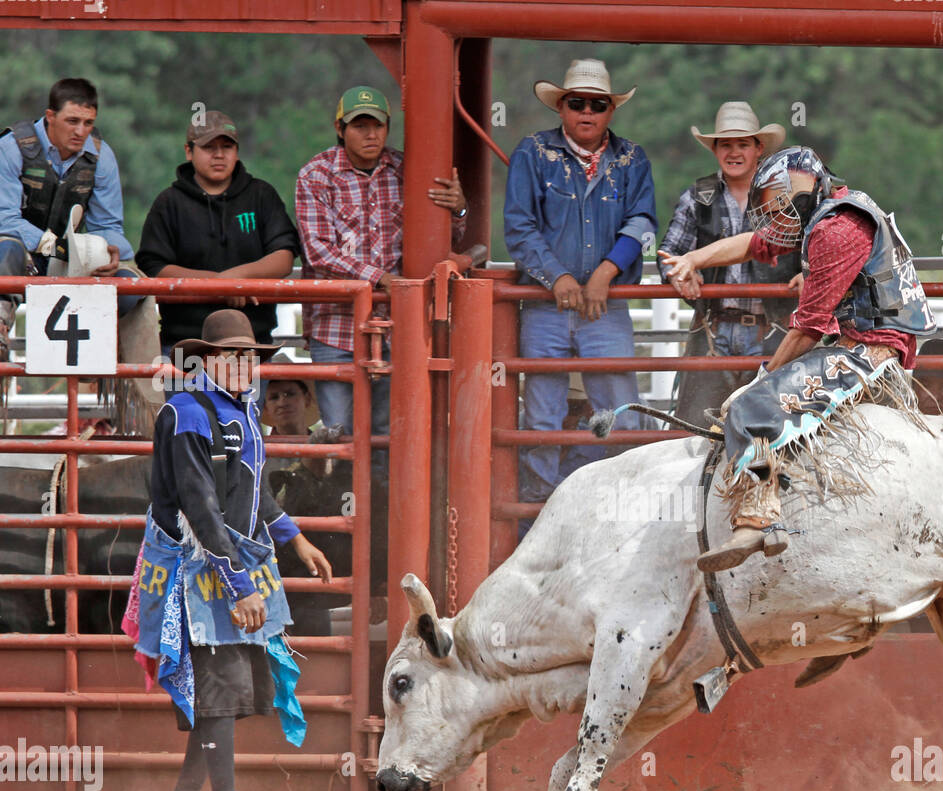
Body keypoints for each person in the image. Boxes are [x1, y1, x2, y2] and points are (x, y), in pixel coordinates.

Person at [661, 145, 937, 573]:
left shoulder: (835, 228)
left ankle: (757, 517)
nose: (771, 213)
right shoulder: (836, 211)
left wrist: (763, 378)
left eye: (774, 200)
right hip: (867, 343)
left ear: (797, 189)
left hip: (869, 352)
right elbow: (756, 243)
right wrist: (695, 257)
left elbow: (809, 326)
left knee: (750, 407)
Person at [133, 310, 332, 791]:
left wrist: (295, 539)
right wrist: (241, 585)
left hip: (225, 563)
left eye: (251, 357)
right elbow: (199, 507)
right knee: (219, 685)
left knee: (223, 690)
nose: (244, 366)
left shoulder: (241, 415)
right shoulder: (188, 414)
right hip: (196, 567)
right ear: (208, 360)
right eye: (232, 356)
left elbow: (254, 492)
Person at [504, 59, 656, 509]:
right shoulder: (532, 153)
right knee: (542, 419)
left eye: (597, 104)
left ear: (610, 110)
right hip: (547, 305)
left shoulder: (632, 158)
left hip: (601, 305)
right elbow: (518, 226)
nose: (586, 112)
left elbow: (643, 222)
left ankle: (616, 506)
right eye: (577, 103)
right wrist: (560, 276)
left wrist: (607, 272)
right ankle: (539, 515)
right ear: (562, 108)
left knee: (620, 414)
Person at [296, 85, 468, 449]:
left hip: (398, 324)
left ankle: (381, 506)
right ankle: (344, 502)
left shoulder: (409, 169)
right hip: (337, 323)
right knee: (340, 433)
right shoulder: (316, 175)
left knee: (390, 433)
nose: (370, 134)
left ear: (388, 127)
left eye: (377, 125)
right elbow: (317, 252)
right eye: (359, 125)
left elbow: (445, 238)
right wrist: (382, 279)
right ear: (340, 129)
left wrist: (459, 209)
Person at [658, 102, 796, 426]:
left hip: (771, 329)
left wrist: (805, 270)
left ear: (758, 148)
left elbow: (810, 249)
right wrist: (679, 275)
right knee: (696, 431)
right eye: (726, 145)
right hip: (713, 329)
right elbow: (668, 253)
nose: (734, 153)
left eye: (743, 144)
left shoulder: (785, 197)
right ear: (716, 150)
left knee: (771, 430)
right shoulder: (698, 196)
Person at [137, 110, 299, 356]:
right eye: (208, 147)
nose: (219, 154)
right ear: (188, 151)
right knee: (185, 397)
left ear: (237, 151)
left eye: (227, 146)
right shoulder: (169, 203)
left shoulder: (261, 195)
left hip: (252, 343)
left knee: (248, 396)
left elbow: (284, 255)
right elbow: (154, 267)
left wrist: (236, 279)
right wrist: (219, 285)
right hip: (185, 344)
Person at [0, 78, 139, 360]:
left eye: (88, 123)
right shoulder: (11, 147)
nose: (80, 131)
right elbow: (4, 220)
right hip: (19, 256)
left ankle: (100, 351)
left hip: (72, 261)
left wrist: (112, 251)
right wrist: (53, 246)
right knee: (7, 249)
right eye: (72, 120)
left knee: (131, 284)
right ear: (50, 116)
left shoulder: (102, 156)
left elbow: (108, 226)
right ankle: (0, 329)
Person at [261, 374, 353, 635]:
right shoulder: (257, 450)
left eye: (290, 394)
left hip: (316, 568)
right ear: (266, 407)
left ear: (307, 399)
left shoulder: (336, 449)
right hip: (272, 569)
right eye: (274, 397)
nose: (282, 402)